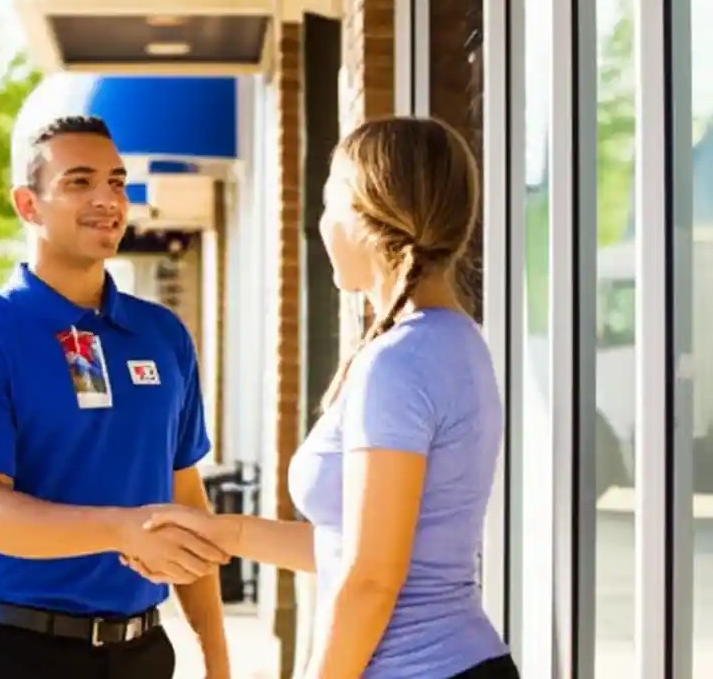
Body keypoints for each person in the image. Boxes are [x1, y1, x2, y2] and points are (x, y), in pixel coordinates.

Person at [132, 116, 520, 678]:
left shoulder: (399, 362)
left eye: (328, 203)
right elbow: (354, 548)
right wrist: (224, 532)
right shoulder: (456, 340)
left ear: (369, 217)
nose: (320, 225)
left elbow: (371, 578)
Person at [0, 115, 232, 679]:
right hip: (24, 653)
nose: (107, 199)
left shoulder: (162, 335)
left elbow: (186, 500)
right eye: (79, 182)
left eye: (117, 182)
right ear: (28, 205)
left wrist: (216, 658)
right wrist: (121, 529)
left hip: (144, 652)